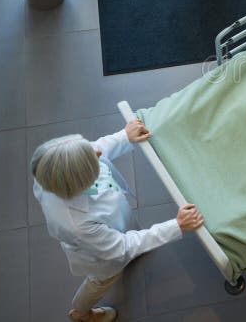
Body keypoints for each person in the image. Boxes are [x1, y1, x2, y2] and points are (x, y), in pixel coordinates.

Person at [31, 120, 204, 322]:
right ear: (77, 179)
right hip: (102, 258)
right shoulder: (76, 224)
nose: (97, 152)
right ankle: (81, 312)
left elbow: (93, 149)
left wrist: (124, 136)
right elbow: (122, 246)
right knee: (101, 281)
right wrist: (176, 226)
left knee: (130, 234)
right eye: (91, 159)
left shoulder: (53, 171)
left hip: (112, 227)